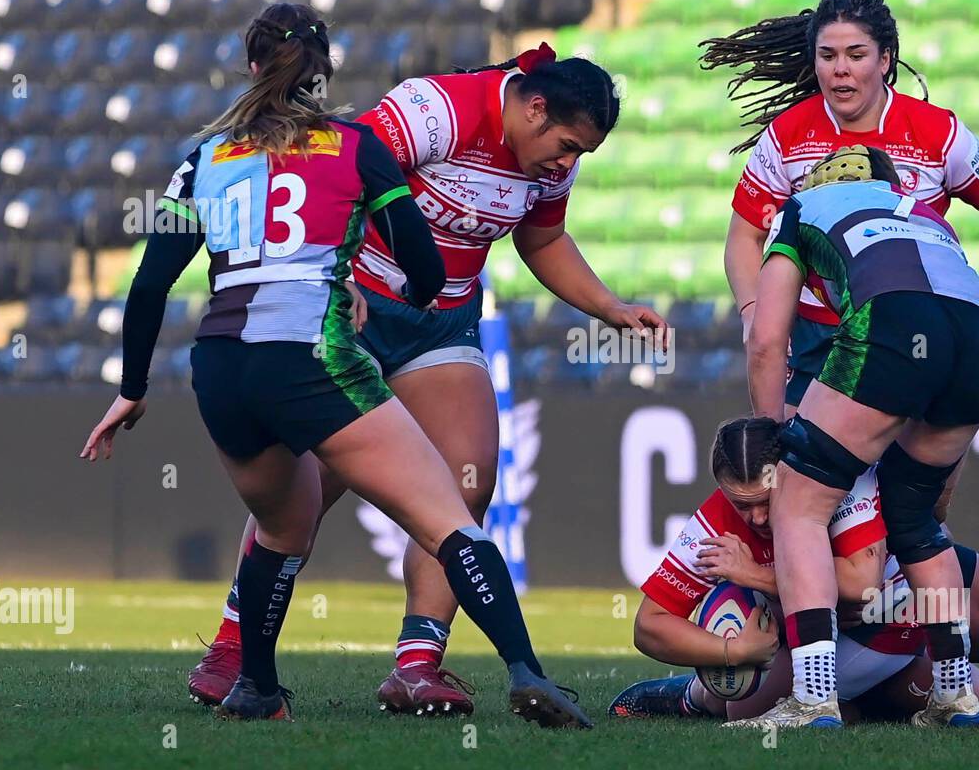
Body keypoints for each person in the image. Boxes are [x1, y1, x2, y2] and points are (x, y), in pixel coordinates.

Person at [81, 4, 591, 728]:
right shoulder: (354, 146)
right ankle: (525, 671)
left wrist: (130, 392)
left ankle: (255, 685)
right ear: (325, 73)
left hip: (221, 366)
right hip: (310, 357)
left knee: (284, 530)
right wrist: (414, 297)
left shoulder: (203, 159)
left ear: (253, 67)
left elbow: (147, 286)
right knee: (451, 517)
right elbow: (421, 263)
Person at [187, 41, 668, 718]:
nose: (569, 162)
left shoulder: (549, 160)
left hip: (441, 322)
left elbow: (542, 241)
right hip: (357, 307)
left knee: (467, 481)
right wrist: (335, 273)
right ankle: (234, 650)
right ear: (532, 108)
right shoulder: (434, 108)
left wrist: (609, 306)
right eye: (566, 145)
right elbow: (337, 176)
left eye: (581, 154)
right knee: (306, 493)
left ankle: (417, 664)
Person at [702, 0, 979, 517]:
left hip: (907, 332)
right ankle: (813, 596)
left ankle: (900, 591)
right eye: (828, 56)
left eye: (856, 55)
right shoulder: (789, 137)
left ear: (886, 59)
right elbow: (744, 236)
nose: (840, 71)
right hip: (819, 337)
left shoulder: (936, 132)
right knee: (795, 491)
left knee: (920, 507)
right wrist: (753, 312)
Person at [610, 418, 979, 728]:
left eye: (767, 499)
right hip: (864, 640)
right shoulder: (716, 524)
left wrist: (758, 578)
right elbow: (650, 625)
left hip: (926, 592)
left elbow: (862, 584)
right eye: (742, 505)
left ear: (789, 471)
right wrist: (731, 654)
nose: (758, 517)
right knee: (966, 705)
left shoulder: (834, 478)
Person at [747, 143, 979, 730]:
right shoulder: (926, 210)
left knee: (799, 503)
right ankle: (955, 694)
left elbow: (767, 339)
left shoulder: (801, 208)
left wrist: (771, 438)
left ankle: (814, 699)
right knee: (916, 518)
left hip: (896, 319)